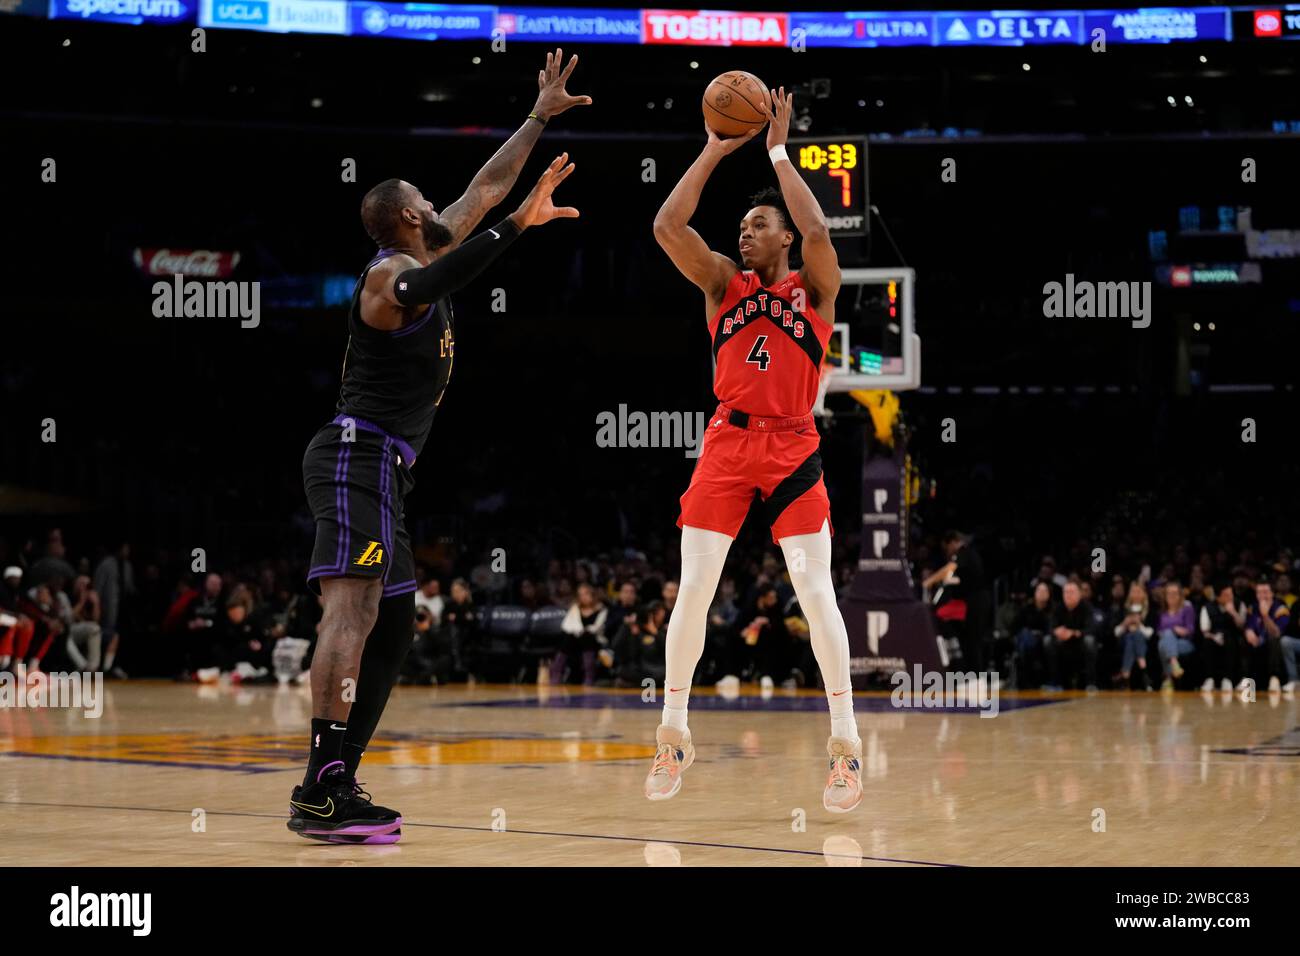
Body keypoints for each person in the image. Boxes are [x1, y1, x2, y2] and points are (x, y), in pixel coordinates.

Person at [290, 49, 589, 845]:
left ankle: (338, 778)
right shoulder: (390, 276)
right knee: (351, 611)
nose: (440, 203)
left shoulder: (427, 243)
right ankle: (320, 784)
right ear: (411, 219)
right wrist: (518, 226)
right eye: (428, 200)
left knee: (394, 628)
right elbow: (441, 275)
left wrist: (536, 117)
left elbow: (487, 186)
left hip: (385, 468)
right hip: (357, 455)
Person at [647, 88, 861, 812]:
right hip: (727, 445)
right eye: (740, 225)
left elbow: (820, 228)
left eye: (757, 224)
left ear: (783, 240)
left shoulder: (816, 289)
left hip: (794, 446)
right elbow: (667, 223)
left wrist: (776, 147)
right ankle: (673, 732)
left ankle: (845, 747)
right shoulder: (720, 285)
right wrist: (714, 145)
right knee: (695, 590)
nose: (745, 233)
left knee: (816, 590)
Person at [1044, 580, 1098, 691]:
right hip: (1063, 644)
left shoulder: (1087, 607)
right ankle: (1055, 682)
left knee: (1090, 641)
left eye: (1072, 592)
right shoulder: (1058, 608)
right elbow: (1050, 628)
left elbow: (1091, 629)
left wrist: (1073, 633)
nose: (1068, 595)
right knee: (1048, 640)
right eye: (1066, 592)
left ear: (1079, 594)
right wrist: (1057, 632)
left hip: (1079, 643)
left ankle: (1090, 683)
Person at [1243, 580, 1290, 693]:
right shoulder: (1253, 608)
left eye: (1265, 592)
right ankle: (1247, 680)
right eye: (1259, 592)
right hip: (1257, 647)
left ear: (1272, 594)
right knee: (1243, 641)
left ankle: (1274, 678)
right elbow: (1249, 625)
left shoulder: (1281, 608)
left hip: (1274, 650)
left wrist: (1265, 616)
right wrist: (1248, 632)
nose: (1262, 596)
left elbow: (1277, 632)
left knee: (1274, 640)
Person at [1199, 583, 1245, 693]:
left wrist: (1233, 612)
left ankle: (1228, 679)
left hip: (1234, 638)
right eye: (1226, 595)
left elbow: (1242, 625)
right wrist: (1214, 637)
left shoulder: (1239, 604)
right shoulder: (1207, 607)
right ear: (1218, 597)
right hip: (1214, 637)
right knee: (1207, 642)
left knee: (1230, 640)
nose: (1230, 597)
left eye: (1231, 594)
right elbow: (1204, 630)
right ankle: (1210, 679)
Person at [1114, 581, 1155, 691]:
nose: (1136, 594)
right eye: (1133, 591)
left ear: (1144, 594)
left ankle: (1125, 675)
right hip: (1123, 641)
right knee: (1131, 636)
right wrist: (1124, 624)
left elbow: (1150, 634)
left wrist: (1139, 624)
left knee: (1135, 635)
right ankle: (1144, 671)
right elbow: (1116, 633)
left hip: (1144, 642)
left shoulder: (1150, 610)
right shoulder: (1123, 609)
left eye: (1138, 591)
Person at [1156, 581, 1196, 690]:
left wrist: (1179, 630)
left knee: (1162, 645)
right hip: (1167, 642)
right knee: (1165, 638)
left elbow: (1191, 630)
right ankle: (1174, 664)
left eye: (1175, 593)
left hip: (1184, 643)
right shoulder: (1162, 612)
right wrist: (1170, 632)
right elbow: (1158, 631)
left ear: (1180, 595)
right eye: (1169, 593)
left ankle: (1168, 678)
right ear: (1165, 596)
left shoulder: (1187, 608)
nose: (1172, 596)